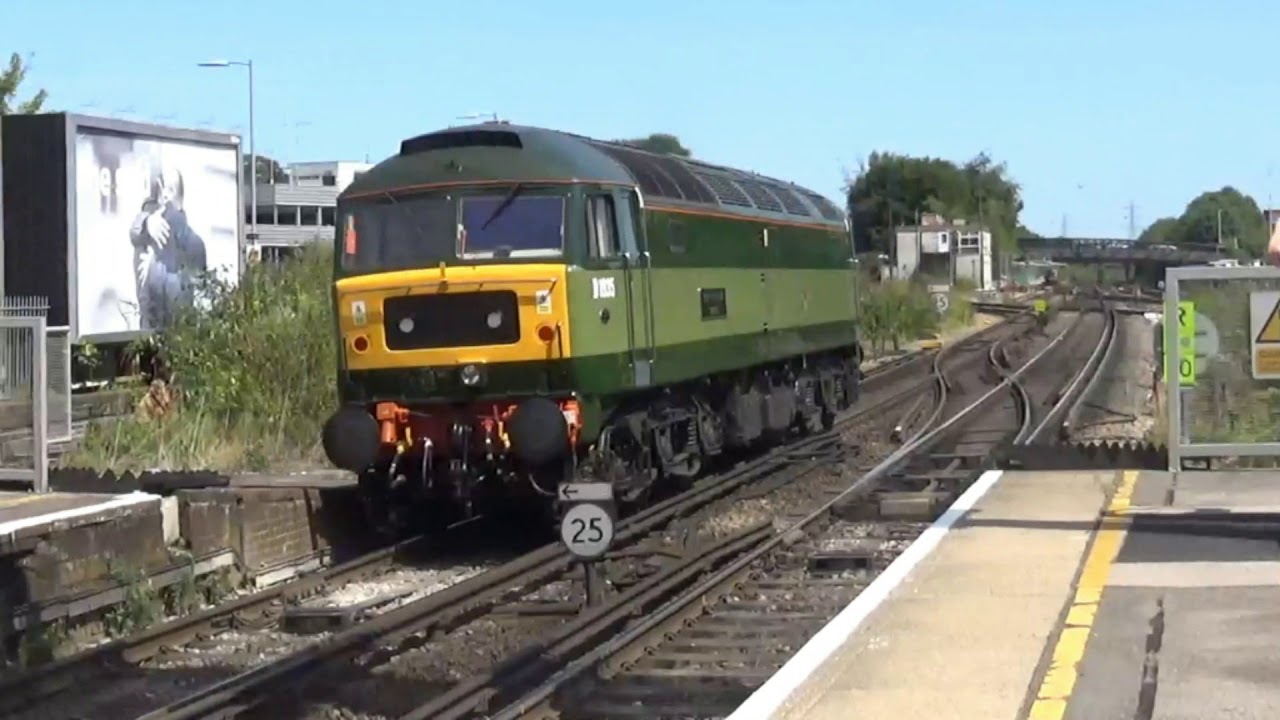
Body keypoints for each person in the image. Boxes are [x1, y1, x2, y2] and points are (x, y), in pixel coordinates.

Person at [129, 162, 208, 330]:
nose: (164, 195)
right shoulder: (147, 233)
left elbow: (196, 289)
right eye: (161, 189)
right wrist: (147, 223)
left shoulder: (194, 243)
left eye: (170, 189)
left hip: (178, 331)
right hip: (151, 328)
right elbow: (135, 231)